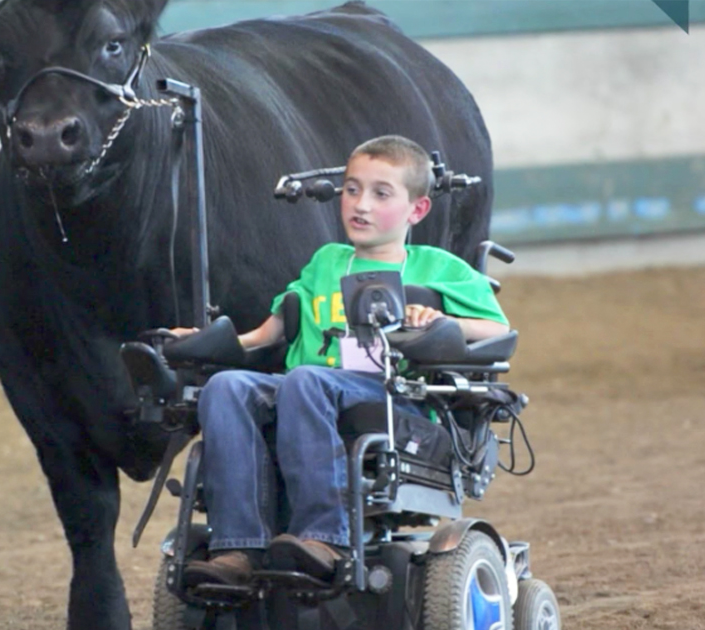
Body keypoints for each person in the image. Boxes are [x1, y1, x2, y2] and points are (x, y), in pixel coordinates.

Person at [177, 135, 509, 587]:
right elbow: (265, 334)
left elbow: (497, 329)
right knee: (227, 386)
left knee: (306, 380)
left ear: (417, 210)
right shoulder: (326, 262)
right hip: (311, 385)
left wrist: (441, 320)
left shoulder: (437, 267)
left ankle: (324, 536)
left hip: (393, 393)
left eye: (381, 194)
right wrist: (202, 341)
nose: (361, 204)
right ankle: (238, 546)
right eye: (352, 190)